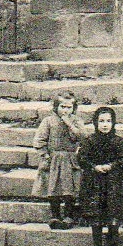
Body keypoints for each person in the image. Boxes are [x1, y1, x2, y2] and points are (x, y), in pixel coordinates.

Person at [78, 105, 123, 246]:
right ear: (95, 122)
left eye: (108, 121)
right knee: (95, 212)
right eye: (101, 121)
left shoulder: (119, 142)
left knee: (113, 211)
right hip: (94, 182)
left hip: (114, 182)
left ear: (113, 123)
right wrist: (94, 166)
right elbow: (82, 158)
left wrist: (111, 166)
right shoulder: (89, 141)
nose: (105, 124)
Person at [31, 91, 85, 229]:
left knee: (69, 189)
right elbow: (39, 140)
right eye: (62, 106)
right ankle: (55, 216)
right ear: (56, 107)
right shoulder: (48, 121)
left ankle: (68, 216)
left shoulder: (77, 121)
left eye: (69, 107)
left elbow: (82, 137)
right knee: (53, 188)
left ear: (74, 108)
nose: (65, 110)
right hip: (53, 159)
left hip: (70, 159)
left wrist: (70, 125)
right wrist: (45, 155)